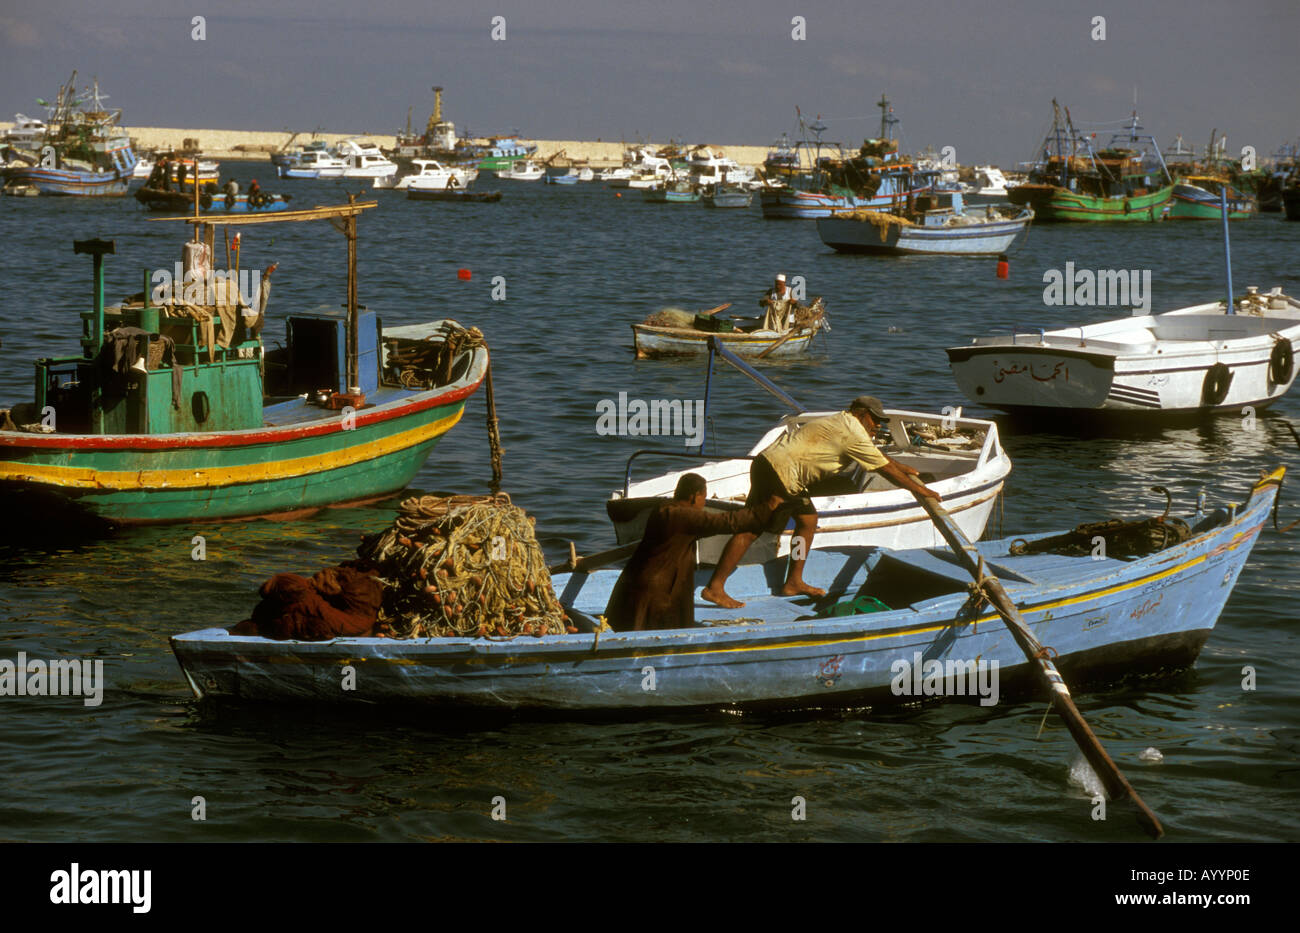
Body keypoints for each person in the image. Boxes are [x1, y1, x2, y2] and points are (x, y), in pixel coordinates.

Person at [701, 396, 941, 609]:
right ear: (860, 414)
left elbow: (878, 457)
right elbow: (884, 469)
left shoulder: (843, 421)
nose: (877, 425)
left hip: (772, 466)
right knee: (751, 529)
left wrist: (903, 468)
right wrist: (921, 491)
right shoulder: (853, 431)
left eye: (881, 420)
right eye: (874, 419)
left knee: (807, 520)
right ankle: (715, 587)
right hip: (781, 473)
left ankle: (793, 582)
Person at [603, 473, 780, 632]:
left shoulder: (664, 508)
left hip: (637, 583)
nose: (704, 503)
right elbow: (728, 522)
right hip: (655, 591)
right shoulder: (683, 516)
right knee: (648, 636)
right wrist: (768, 507)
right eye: (704, 497)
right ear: (694, 496)